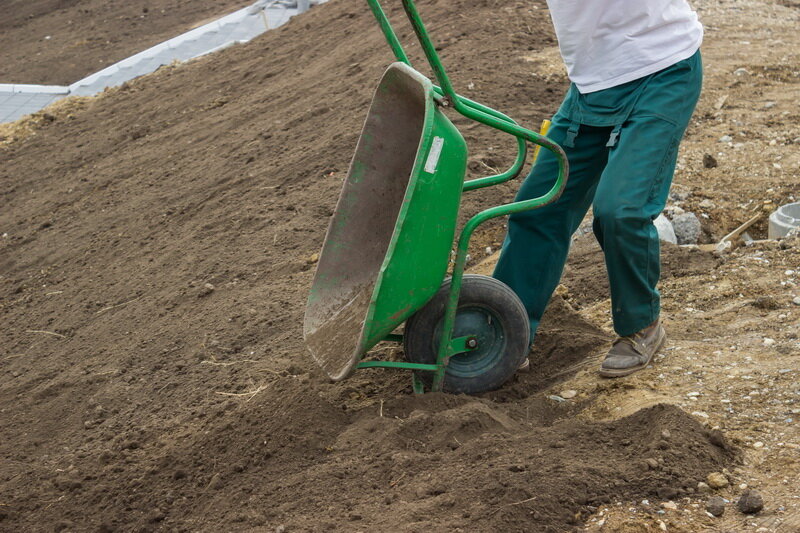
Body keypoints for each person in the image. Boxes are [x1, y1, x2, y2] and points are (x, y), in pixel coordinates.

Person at [494, 0, 704, 377]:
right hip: (591, 87)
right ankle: (507, 332)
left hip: (662, 69)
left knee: (620, 209)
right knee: (538, 208)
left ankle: (643, 326)